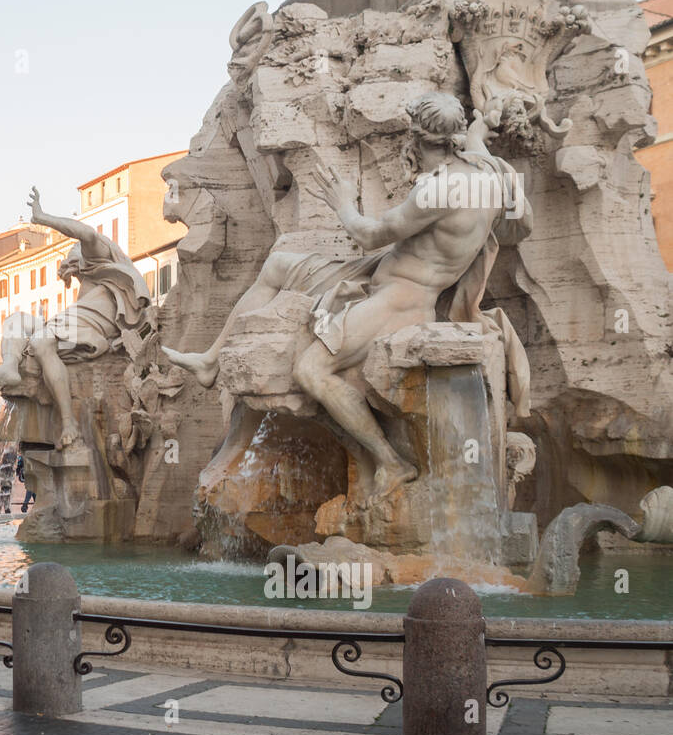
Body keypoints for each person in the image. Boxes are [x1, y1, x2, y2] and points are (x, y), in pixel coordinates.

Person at [162, 95, 530, 502]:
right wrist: (484, 124)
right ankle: (211, 361)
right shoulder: (486, 169)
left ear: (420, 140)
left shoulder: (439, 192)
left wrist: (341, 204)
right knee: (279, 265)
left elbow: (370, 233)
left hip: (403, 298)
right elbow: (478, 145)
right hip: (378, 271)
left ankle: (392, 462)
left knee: (310, 371)